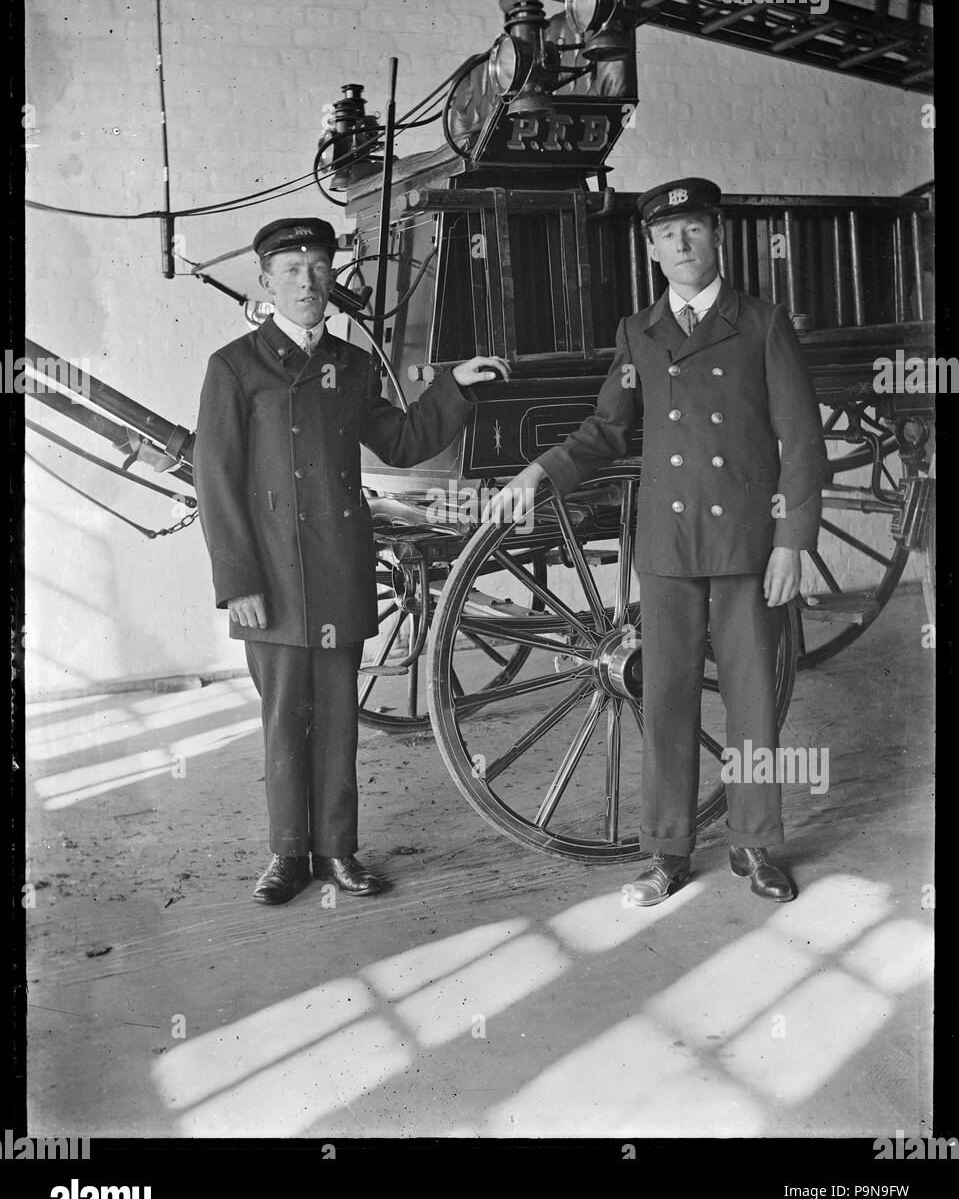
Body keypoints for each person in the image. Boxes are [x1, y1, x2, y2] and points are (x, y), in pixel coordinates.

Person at [500, 179, 830, 905]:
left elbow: (800, 440)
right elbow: (605, 431)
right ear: (651, 250)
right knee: (666, 697)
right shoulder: (637, 333)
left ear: (715, 237)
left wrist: (789, 543)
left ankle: (756, 844)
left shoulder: (763, 323)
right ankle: (667, 852)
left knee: (750, 700)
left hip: (745, 543)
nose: (681, 245)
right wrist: (538, 472)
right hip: (670, 543)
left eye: (693, 231)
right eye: (667, 235)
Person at [193, 217, 510, 904]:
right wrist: (237, 581)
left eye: (317, 267)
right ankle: (286, 856)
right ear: (266, 283)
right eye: (291, 271)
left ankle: (338, 851)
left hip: (338, 571)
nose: (306, 282)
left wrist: (453, 385)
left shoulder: (354, 365)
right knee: (284, 718)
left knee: (336, 720)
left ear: (331, 278)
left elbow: (399, 441)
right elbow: (214, 481)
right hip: (269, 579)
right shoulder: (234, 367)